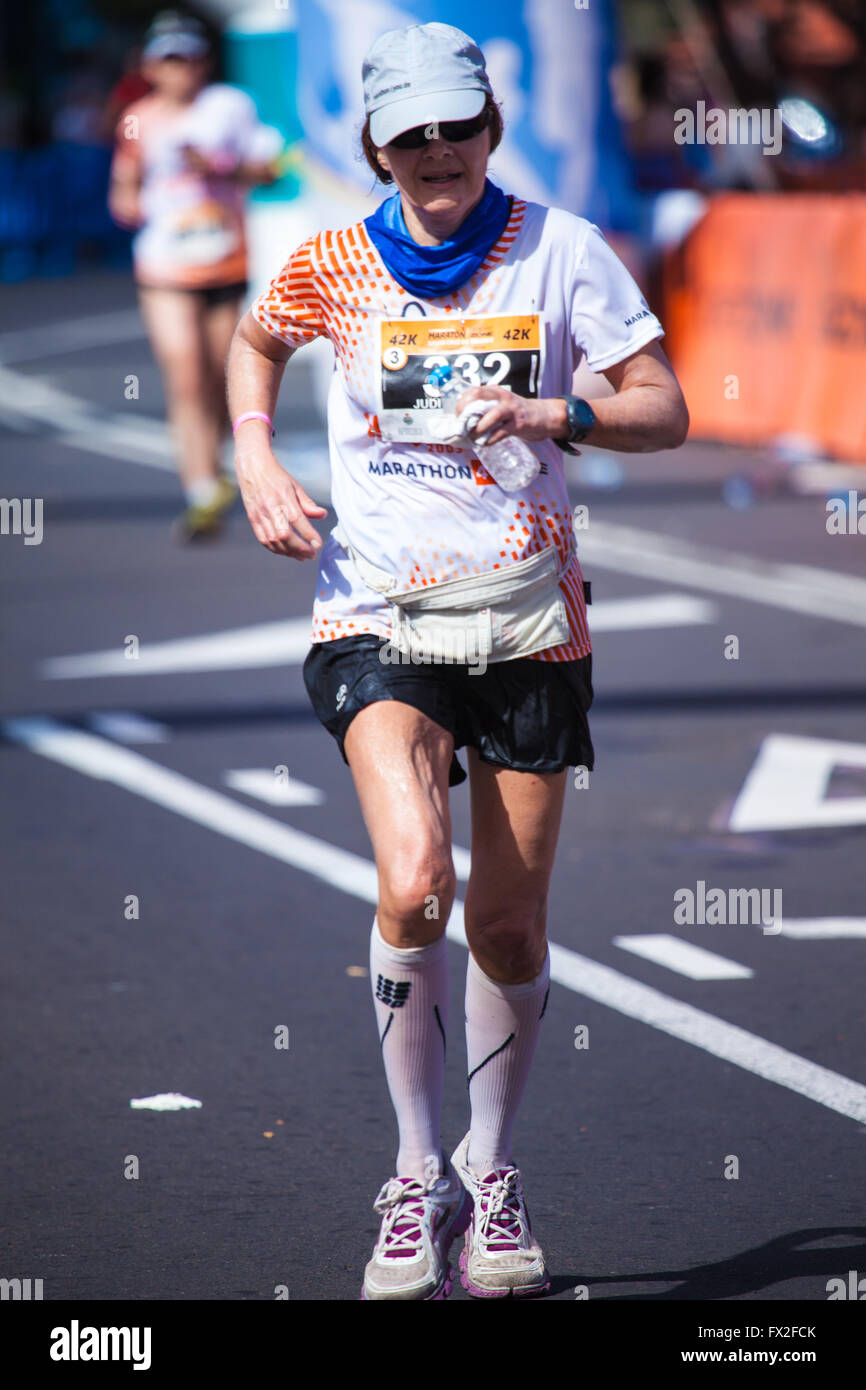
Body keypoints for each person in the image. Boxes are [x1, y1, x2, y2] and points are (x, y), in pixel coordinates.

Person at [226, 21, 688, 1300]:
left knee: (506, 918)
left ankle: (491, 1177)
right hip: (374, 613)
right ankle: (411, 1171)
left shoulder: (560, 250)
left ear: (489, 128)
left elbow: (665, 406)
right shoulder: (328, 261)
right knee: (416, 878)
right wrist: (255, 452)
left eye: (458, 126)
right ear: (376, 143)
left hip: (529, 616)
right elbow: (255, 340)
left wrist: (559, 410)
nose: (437, 151)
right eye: (411, 132)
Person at [108, 10, 282, 540]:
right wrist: (135, 202)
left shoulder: (229, 107)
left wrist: (219, 169)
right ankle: (201, 489)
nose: (179, 70)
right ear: (152, 67)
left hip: (224, 260)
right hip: (164, 265)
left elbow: (269, 170)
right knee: (183, 374)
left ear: (202, 62)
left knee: (215, 373)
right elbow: (124, 190)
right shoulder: (137, 117)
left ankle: (218, 460)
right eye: (168, 60)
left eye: (187, 58)